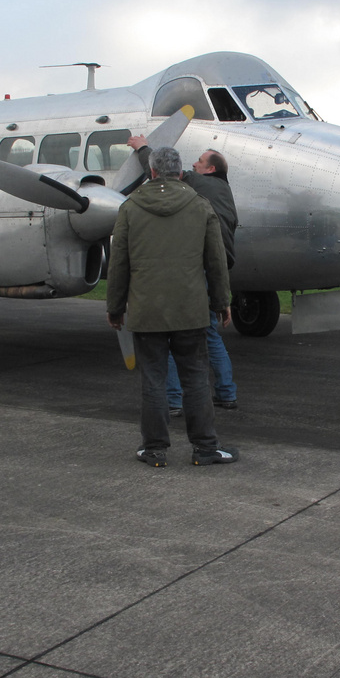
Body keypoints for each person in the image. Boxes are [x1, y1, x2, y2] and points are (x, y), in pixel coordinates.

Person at [107, 146, 238, 467]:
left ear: (151, 172)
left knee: (153, 380)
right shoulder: (200, 205)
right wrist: (222, 301)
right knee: (195, 379)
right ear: (180, 173)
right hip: (190, 311)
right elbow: (216, 260)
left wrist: (115, 307)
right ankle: (205, 448)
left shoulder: (130, 207)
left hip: (146, 311)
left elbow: (118, 263)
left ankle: (154, 449)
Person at [127, 136, 238, 413]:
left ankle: (174, 400)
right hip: (220, 263)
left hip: (194, 263)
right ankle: (226, 393)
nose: (193, 164)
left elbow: (166, 171)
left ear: (210, 169)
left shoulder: (197, 184)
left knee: (171, 329)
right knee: (211, 333)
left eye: (199, 162)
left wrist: (142, 148)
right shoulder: (223, 189)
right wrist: (223, 300)